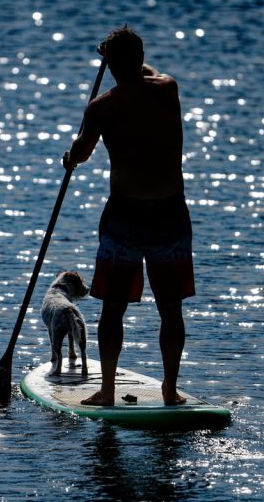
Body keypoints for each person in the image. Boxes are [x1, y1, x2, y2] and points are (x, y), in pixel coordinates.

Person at [62, 26, 195, 406]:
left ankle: (106, 391)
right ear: (139, 60)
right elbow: (146, 73)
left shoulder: (101, 108)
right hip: (170, 210)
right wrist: (121, 58)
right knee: (170, 308)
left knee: (113, 308)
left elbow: (82, 152)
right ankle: (169, 389)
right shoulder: (167, 89)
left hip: (126, 214)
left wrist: (70, 156)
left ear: (110, 64)